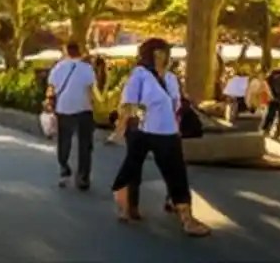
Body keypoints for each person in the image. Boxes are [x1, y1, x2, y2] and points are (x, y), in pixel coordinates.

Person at [110, 38, 209, 236]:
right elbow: (129, 104)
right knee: (132, 169)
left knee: (177, 174)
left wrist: (176, 125)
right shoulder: (140, 75)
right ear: (151, 54)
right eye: (159, 52)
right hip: (142, 131)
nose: (163, 56)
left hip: (168, 132)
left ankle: (186, 218)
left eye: (165, 52)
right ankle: (128, 207)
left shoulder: (172, 78)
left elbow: (176, 105)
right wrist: (129, 126)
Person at [47, 42, 97, 190]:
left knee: (64, 141)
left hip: (64, 108)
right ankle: (83, 177)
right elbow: (90, 89)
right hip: (84, 109)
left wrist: (50, 103)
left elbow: (51, 88)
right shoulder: (87, 68)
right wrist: (94, 107)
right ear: (80, 51)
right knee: (85, 144)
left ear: (66, 51)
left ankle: (64, 167)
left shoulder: (58, 67)